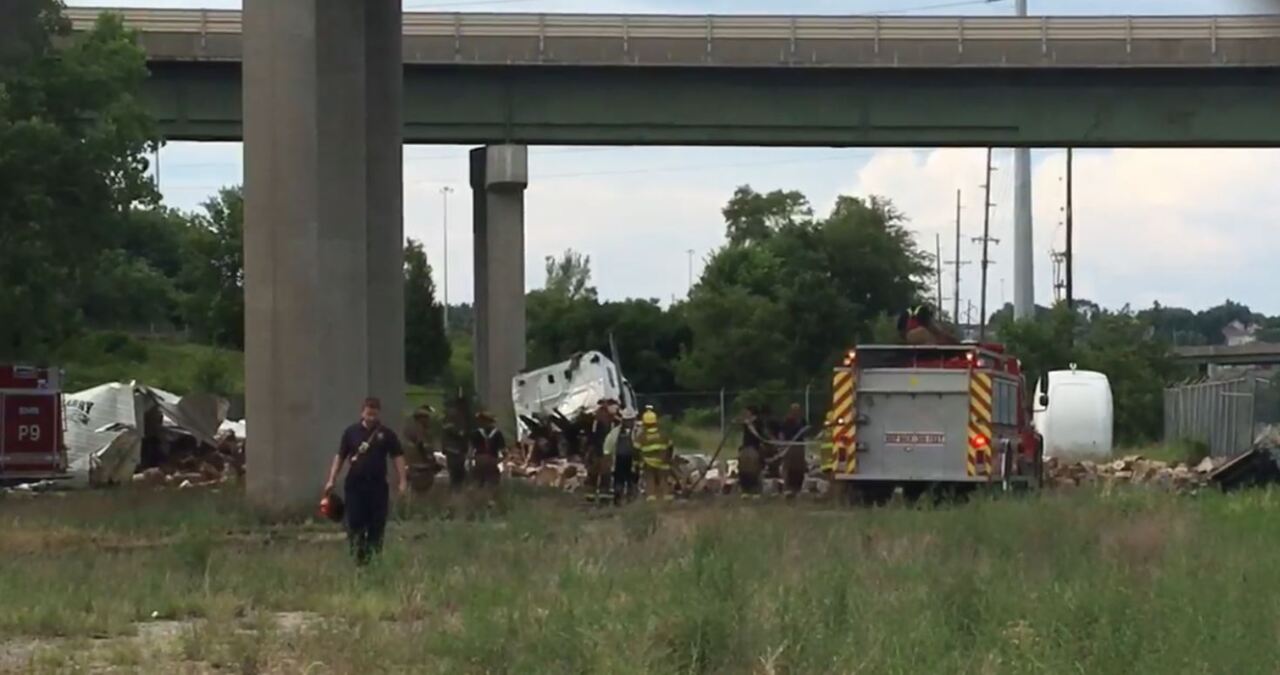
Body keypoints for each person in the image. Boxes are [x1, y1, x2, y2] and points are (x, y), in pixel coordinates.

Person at [323, 397, 407, 566]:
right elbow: (340, 456)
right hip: (355, 486)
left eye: (374, 415)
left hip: (377, 487)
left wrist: (402, 480)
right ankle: (359, 560)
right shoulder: (351, 432)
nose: (371, 418)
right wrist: (331, 479)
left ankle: (374, 559)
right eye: (369, 414)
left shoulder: (387, 434)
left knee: (376, 525)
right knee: (355, 524)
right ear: (362, 412)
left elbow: (398, 456)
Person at [638, 409, 673, 501]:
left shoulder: (642, 436)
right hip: (663, 462)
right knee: (663, 480)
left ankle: (651, 499)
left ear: (644, 423)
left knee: (650, 480)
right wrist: (668, 459)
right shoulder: (663, 434)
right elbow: (670, 447)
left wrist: (637, 462)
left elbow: (636, 449)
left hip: (648, 463)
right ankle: (667, 498)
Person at [402, 405, 439, 493]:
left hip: (414, 466)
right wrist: (433, 461)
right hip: (420, 467)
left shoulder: (411, 428)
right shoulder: (419, 430)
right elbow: (423, 446)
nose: (428, 420)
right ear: (421, 418)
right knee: (421, 492)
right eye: (427, 417)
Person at [585, 402, 615, 501]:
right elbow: (592, 438)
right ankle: (592, 495)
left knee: (604, 474)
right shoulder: (596, 423)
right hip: (598, 452)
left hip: (603, 452)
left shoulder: (609, 423)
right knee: (595, 474)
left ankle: (602, 496)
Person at [608, 409, 639, 504]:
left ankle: (631, 498)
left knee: (633, 479)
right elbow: (609, 444)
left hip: (633, 459)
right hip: (619, 459)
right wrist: (608, 457)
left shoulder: (638, 431)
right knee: (619, 479)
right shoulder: (615, 432)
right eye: (627, 419)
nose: (629, 421)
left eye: (631, 419)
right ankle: (618, 498)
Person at [779, 403, 809, 498]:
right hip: (790, 446)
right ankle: (787, 487)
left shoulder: (802, 421)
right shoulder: (787, 421)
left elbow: (806, 431)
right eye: (794, 410)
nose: (796, 412)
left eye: (798, 410)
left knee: (799, 467)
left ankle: (797, 488)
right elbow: (782, 433)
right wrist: (782, 445)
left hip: (800, 446)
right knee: (788, 467)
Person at [470, 411, 505, 489]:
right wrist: (500, 460)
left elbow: (471, 449)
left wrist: (471, 460)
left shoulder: (475, 433)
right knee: (493, 484)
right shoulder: (498, 433)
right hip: (492, 459)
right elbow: (503, 450)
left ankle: (478, 498)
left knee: (478, 483)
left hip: (479, 459)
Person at [441, 399, 469, 488]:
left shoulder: (456, 417)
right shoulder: (455, 417)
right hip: (454, 450)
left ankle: (456, 491)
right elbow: (457, 432)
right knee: (456, 473)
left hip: (455, 450)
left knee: (457, 474)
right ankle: (456, 491)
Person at [738, 406, 765, 498]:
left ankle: (755, 489)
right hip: (746, 446)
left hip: (754, 447)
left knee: (754, 469)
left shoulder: (758, 422)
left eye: (747, 412)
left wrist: (750, 425)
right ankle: (745, 489)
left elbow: (759, 434)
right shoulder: (746, 422)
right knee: (744, 468)